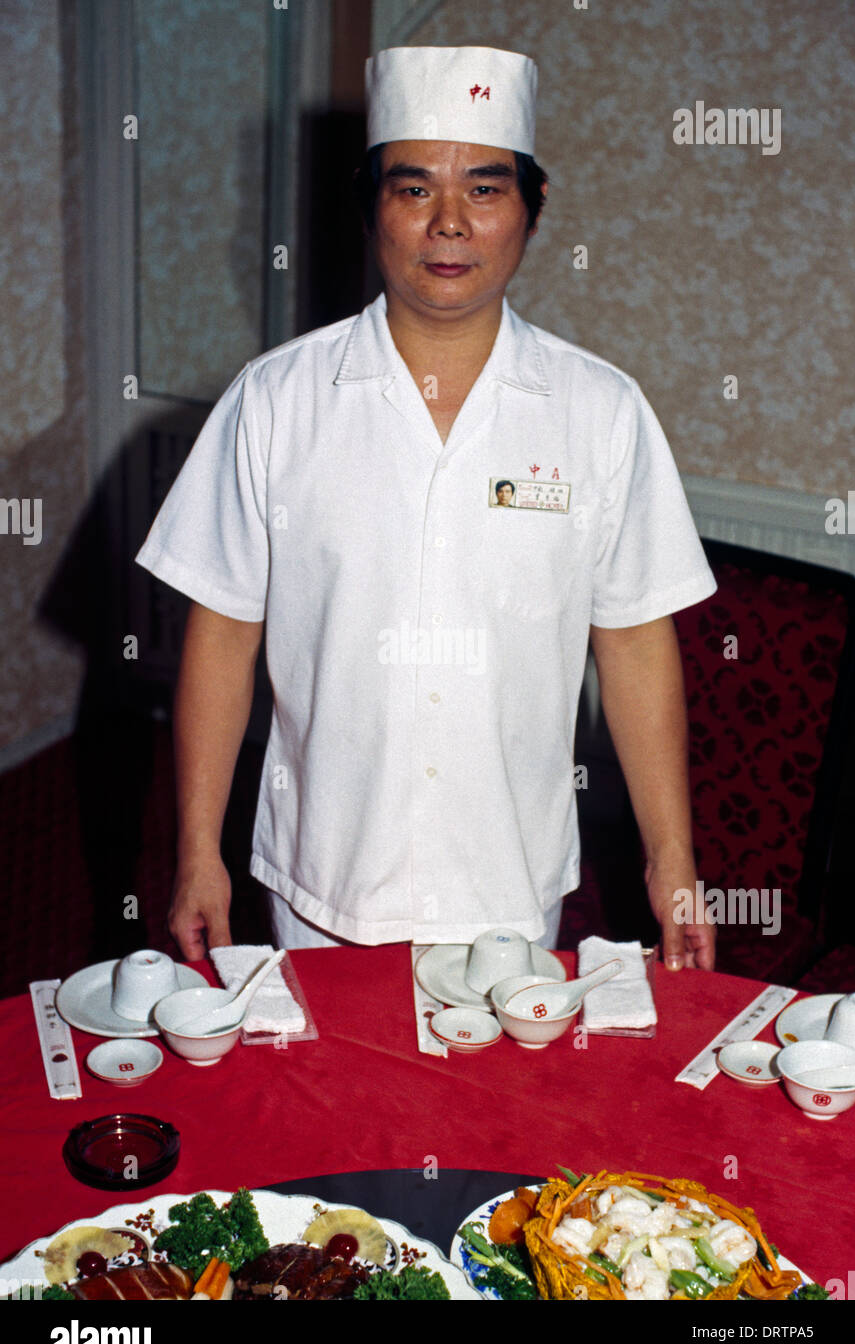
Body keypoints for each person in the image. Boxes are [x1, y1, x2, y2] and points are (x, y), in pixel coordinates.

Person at [136, 45, 717, 970]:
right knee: (325, 1110)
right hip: (324, 878)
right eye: (414, 190)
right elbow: (222, 631)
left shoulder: (600, 410)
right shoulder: (277, 400)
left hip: (510, 883)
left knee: (498, 1114)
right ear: (373, 208)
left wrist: (672, 858)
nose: (449, 222)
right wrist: (196, 852)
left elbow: (636, 641)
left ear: (531, 212)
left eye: (485, 190)